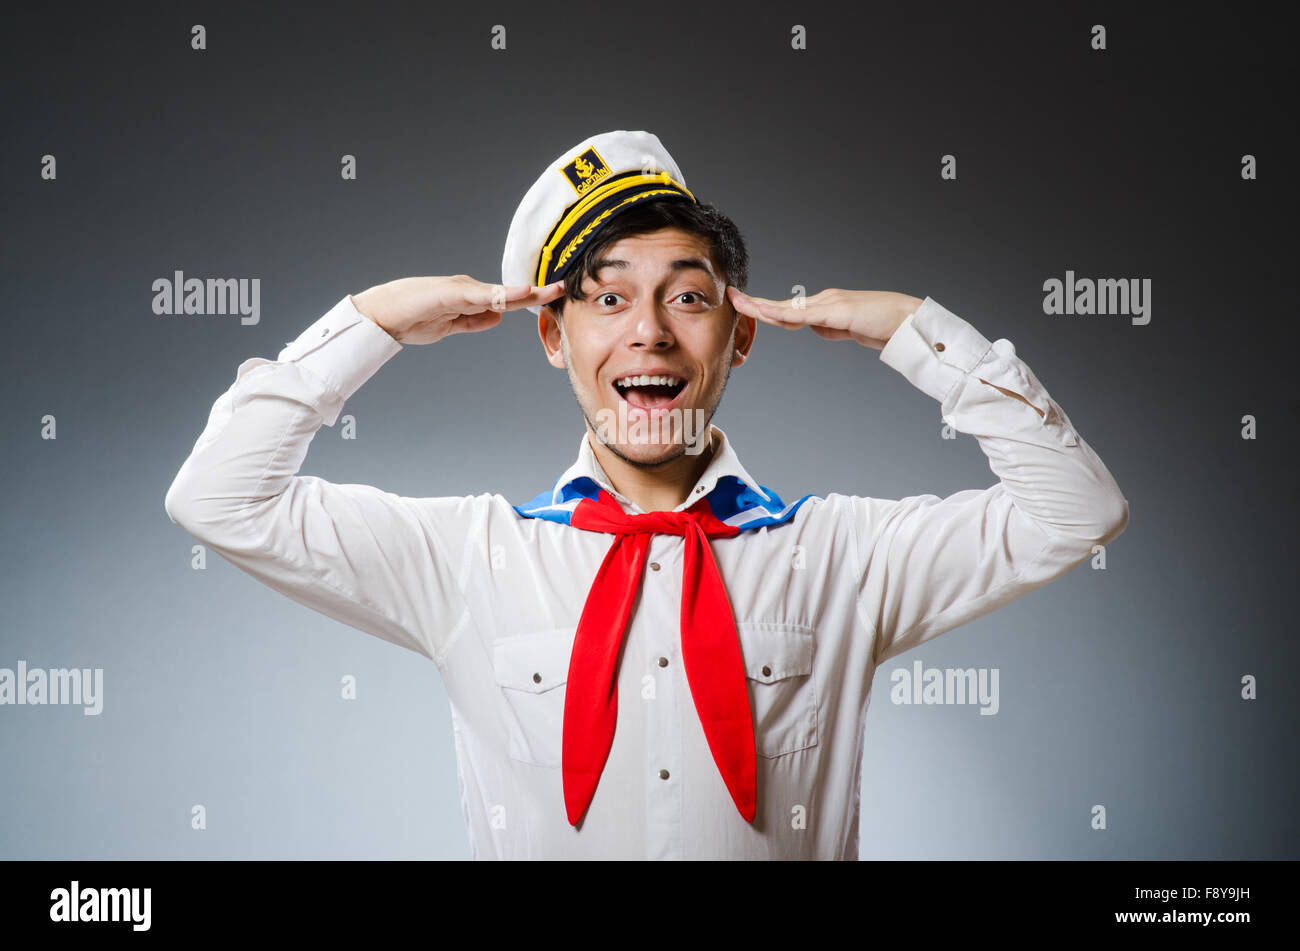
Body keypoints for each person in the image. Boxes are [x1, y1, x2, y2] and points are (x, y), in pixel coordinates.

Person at [164, 130, 1129, 859]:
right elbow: (220, 499)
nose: (651, 333)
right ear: (555, 338)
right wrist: (369, 322)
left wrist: (918, 332)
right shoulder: (466, 557)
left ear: (739, 336)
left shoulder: (842, 555)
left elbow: (1076, 512)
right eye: (608, 297)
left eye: (690, 296)